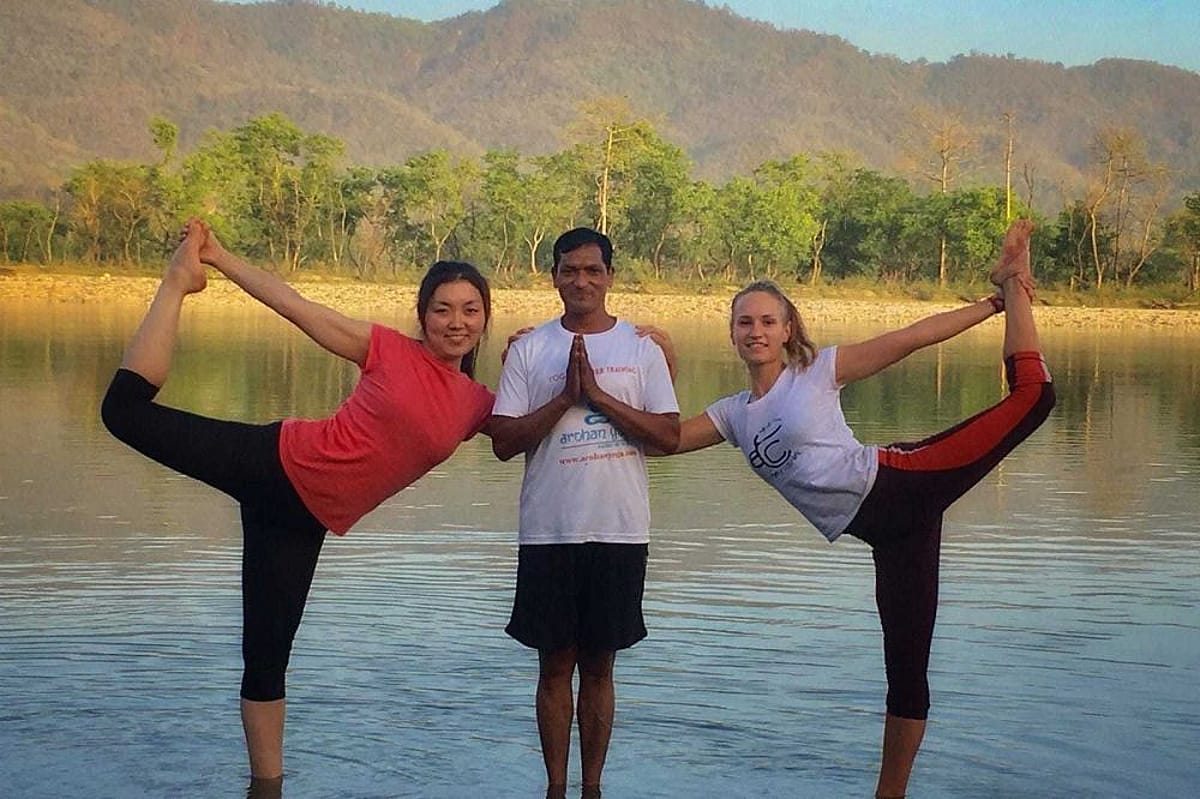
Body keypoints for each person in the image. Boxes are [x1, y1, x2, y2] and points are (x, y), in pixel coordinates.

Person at [100, 219, 495, 792]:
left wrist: (549, 359)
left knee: (267, 660)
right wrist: (218, 257)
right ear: (422, 314)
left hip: (300, 522)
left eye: (470, 310)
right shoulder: (385, 348)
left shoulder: (477, 404)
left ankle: (268, 784)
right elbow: (294, 305)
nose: (456, 322)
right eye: (443, 309)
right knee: (123, 413)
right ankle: (177, 283)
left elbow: (523, 432)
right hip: (272, 462)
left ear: (485, 318)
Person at [663, 220, 1055, 798]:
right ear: (732, 334)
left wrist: (993, 304)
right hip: (891, 534)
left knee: (1035, 397)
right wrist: (662, 360)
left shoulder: (817, 371)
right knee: (906, 673)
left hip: (904, 485)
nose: (756, 331)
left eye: (768, 321)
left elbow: (911, 338)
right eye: (745, 322)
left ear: (787, 329)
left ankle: (1013, 283)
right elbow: (666, 439)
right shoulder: (733, 414)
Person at [489, 228, 680, 799]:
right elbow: (503, 442)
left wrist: (598, 397)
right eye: (569, 270)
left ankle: (591, 787)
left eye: (593, 270)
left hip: (618, 529)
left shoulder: (641, 349)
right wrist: (564, 399)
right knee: (553, 666)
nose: (581, 281)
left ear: (610, 276)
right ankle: (555, 787)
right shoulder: (529, 349)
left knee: (600, 667)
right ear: (553, 277)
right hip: (549, 531)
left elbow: (667, 436)